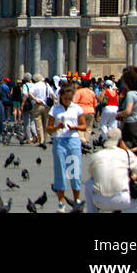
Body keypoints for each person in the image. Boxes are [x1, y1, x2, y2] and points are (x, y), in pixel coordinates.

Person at [86, 127, 137, 213]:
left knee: (89, 182)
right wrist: (125, 148)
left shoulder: (95, 156)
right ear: (120, 141)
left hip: (100, 201)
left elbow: (92, 174)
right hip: (122, 200)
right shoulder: (126, 154)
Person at [47, 83, 87, 211]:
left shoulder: (77, 108)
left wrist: (74, 127)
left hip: (73, 141)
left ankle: (76, 199)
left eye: (70, 98)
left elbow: (84, 126)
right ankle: (61, 202)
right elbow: (48, 129)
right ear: (60, 96)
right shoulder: (54, 109)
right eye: (65, 98)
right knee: (60, 171)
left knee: (74, 170)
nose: (68, 101)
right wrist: (58, 127)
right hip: (59, 141)